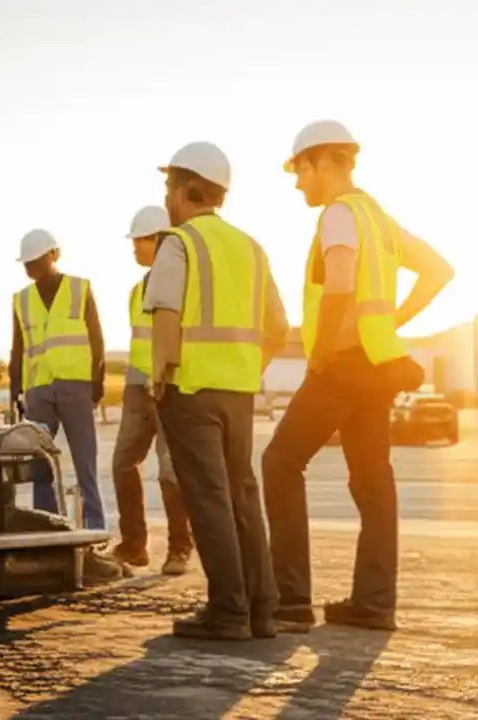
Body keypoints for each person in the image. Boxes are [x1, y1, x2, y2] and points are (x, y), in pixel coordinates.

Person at [263, 120, 454, 633]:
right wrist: (392, 321)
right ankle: (373, 604)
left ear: (320, 162)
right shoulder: (378, 219)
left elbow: (341, 282)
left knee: (280, 463)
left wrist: (321, 348)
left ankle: (290, 600)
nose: (298, 183)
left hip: (342, 363)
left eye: (299, 171)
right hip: (376, 365)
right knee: (373, 481)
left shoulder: (340, 215)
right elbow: (439, 269)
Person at [146, 141, 290, 640]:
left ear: (189, 189)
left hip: (191, 389)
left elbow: (165, 314)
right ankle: (262, 609)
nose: (165, 197)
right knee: (242, 497)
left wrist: (161, 376)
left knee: (208, 501)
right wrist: (245, 365)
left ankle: (228, 613)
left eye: (169, 186)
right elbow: (278, 327)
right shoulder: (251, 248)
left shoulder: (178, 243)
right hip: (238, 390)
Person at [111, 205, 194, 575]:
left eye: (139, 241)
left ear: (158, 240)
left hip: (169, 386)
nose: (133, 249)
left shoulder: (183, 283)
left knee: (169, 471)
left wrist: (168, 378)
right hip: (137, 384)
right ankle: (134, 546)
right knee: (123, 463)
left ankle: (180, 548)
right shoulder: (135, 290)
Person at [9, 229, 107, 529]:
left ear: (53, 255)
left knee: (84, 464)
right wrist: (16, 391)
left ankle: (94, 529)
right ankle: (47, 527)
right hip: (39, 391)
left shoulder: (79, 288)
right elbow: (19, 348)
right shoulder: (21, 300)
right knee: (41, 466)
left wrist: (97, 383)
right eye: (27, 264)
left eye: (35, 262)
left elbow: (96, 339)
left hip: (76, 386)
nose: (31, 269)